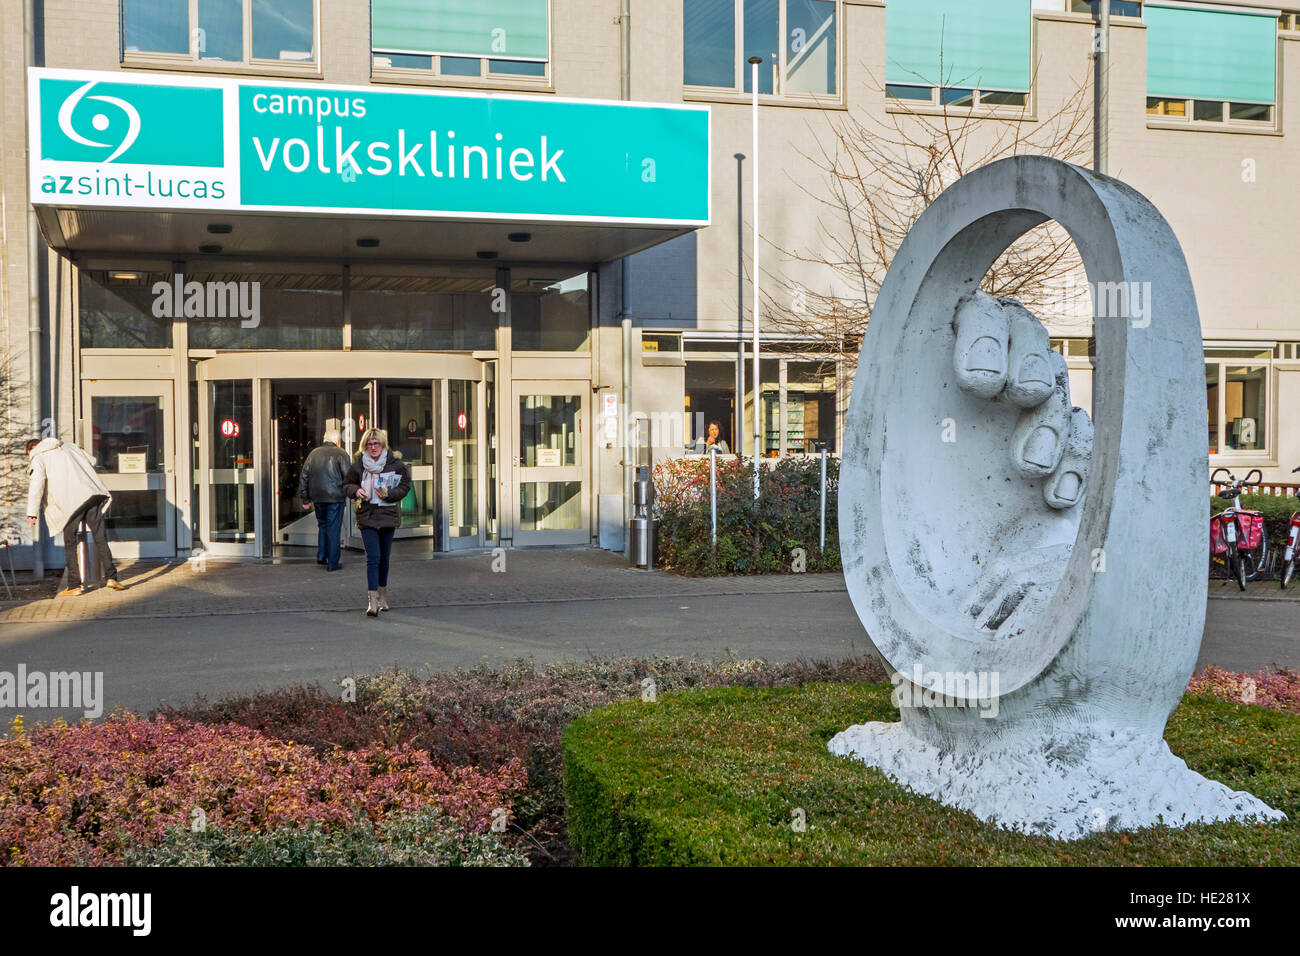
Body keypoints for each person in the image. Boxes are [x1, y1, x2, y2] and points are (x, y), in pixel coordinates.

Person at [25, 437, 126, 597]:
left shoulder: (38, 457)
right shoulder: (69, 447)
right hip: (92, 494)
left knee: (70, 541)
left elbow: (37, 484)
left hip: (71, 502)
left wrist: (32, 512)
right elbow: (92, 460)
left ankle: (74, 585)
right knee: (100, 537)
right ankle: (111, 577)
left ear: (31, 449)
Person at [342, 428, 411, 617]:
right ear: (365, 446)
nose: (373, 447)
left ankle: (382, 596)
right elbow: (347, 484)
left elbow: (405, 486)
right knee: (373, 558)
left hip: (388, 514)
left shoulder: (395, 464)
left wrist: (390, 494)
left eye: (376, 444)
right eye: (369, 444)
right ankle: (372, 601)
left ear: (383, 445)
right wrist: (356, 491)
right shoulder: (358, 466)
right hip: (367, 515)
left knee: (384, 558)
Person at [297, 427, 351, 571]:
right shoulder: (341, 454)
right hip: (335, 497)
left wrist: (305, 498)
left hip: (318, 497)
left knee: (322, 525)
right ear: (338, 440)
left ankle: (322, 555)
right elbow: (349, 477)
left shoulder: (313, 454)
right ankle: (332, 563)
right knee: (334, 528)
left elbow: (304, 476)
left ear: (324, 439)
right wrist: (353, 494)